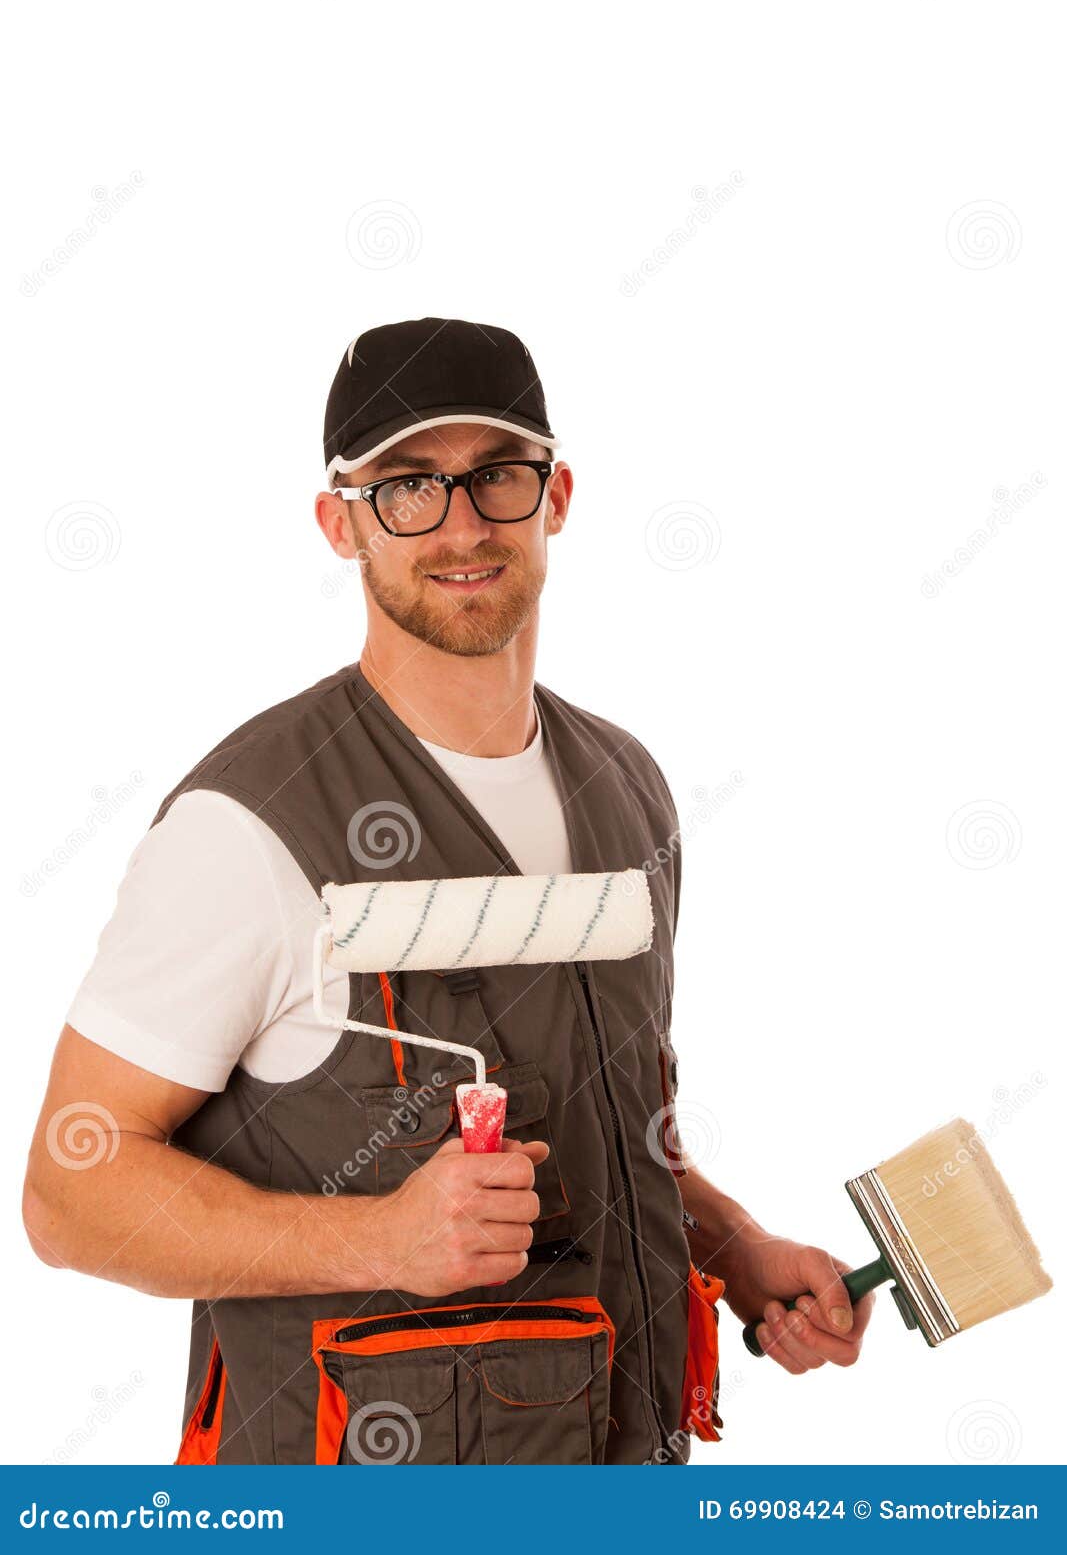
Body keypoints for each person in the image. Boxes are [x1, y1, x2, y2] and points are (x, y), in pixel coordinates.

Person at [23, 317, 872, 1466]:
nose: (462, 524)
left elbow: (606, 1125)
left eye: (496, 477)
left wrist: (731, 1244)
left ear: (557, 495)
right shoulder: (248, 825)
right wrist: (379, 1236)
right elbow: (70, 1195)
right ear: (341, 522)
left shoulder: (627, 793)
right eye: (408, 485)